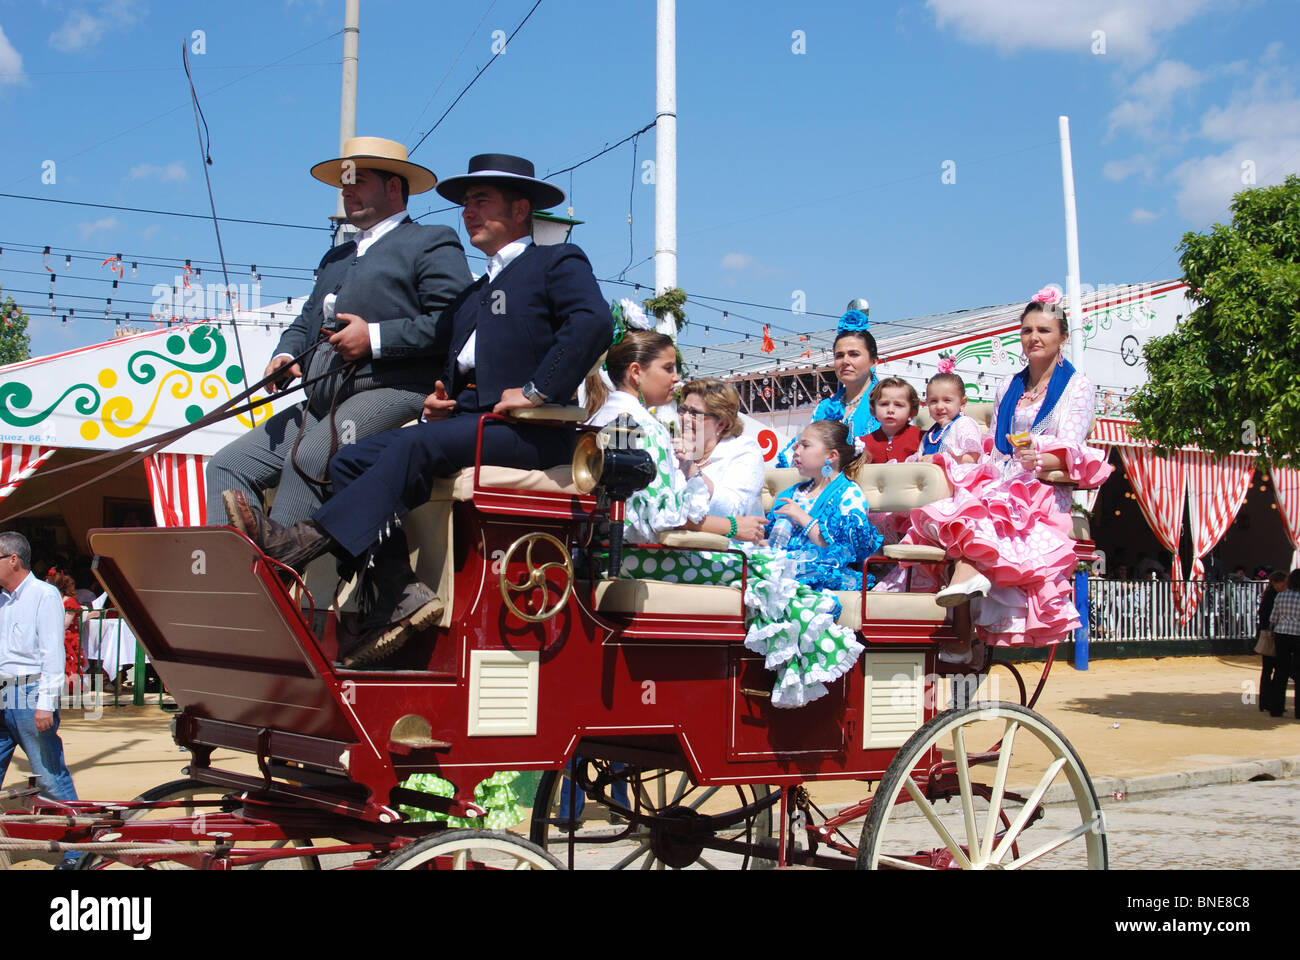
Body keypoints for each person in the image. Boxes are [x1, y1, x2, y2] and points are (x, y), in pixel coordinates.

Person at [226, 154, 612, 668]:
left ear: (521, 209)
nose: (468, 213)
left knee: (415, 444)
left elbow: (592, 322)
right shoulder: (477, 292)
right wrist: (439, 398)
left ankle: (302, 541)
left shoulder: (556, 262)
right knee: (349, 460)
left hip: (531, 431)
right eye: (465, 204)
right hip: (467, 421)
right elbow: (448, 350)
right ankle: (396, 593)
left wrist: (539, 390)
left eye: (481, 202)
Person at [208, 136, 473, 529]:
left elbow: (453, 321)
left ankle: (280, 577)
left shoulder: (430, 241)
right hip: (321, 401)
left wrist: (375, 338)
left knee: (310, 458)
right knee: (226, 466)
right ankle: (239, 577)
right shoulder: (335, 257)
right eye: (344, 183)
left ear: (394, 187)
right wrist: (284, 355)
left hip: (394, 389)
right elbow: (306, 320)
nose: (347, 191)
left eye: (359, 180)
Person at [586, 330, 862, 708]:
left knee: (770, 568)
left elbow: (702, 507)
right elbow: (666, 518)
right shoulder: (642, 427)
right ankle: (803, 679)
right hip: (647, 553)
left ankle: (792, 675)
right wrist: (725, 520)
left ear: (720, 422)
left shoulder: (605, 417)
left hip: (614, 550)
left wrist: (693, 475)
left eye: (693, 413)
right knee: (766, 574)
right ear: (636, 372)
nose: (675, 380)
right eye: (668, 368)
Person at [892, 286, 1112, 663]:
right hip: (1004, 480)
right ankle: (959, 626)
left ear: (1062, 336)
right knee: (957, 504)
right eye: (1027, 330)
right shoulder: (1008, 385)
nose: (1034, 338)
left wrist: (1037, 457)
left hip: (1045, 489)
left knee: (982, 508)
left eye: (1044, 330)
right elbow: (996, 449)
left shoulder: (1078, 386)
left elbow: (1071, 452)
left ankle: (965, 595)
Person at [0, 533, 82, 869]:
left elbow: (52, 653)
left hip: (29, 693)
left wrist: (46, 702)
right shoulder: (4, 600)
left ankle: (78, 851)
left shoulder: (43, 595)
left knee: (49, 775)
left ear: (12, 560)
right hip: (4, 692)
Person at [767, 420, 882, 592]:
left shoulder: (849, 494)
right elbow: (774, 541)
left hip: (824, 573)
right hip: (784, 565)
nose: (795, 451)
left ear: (831, 456)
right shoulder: (792, 494)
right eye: (797, 445)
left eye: (805, 446)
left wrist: (802, 517)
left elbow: (845, 551)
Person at [775, 303, 880, 466]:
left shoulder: (886, 402)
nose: (845, 361)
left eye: (854, 354)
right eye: (839, 355)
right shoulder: (824, 408)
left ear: (874, 361)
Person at [674, 378, 765, 518]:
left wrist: (691, 469)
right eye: (683, 410)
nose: (684, 418)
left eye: (694, 413)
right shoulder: (675, 450)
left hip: (730, 539)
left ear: (722, 424)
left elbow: (735, 510)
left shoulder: (744, 451)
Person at [860, 377, 921, 465]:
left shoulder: (922, 438)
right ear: (874, 410)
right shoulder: (864, 443)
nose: (890, 410)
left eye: (898, 405)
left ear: (912, 412)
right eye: (884, 404)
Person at [1267, 568, 1300, 720]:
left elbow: (1273, 618)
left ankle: (1276, 708)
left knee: (1280, 672)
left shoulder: (1281, 595)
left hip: (1282, 634)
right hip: (1298, 634)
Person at [1257, 570, 1288, 715]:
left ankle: (1265, 701)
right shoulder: (1275, 596)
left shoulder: (1269, 595)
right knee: (1275, 669)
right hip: (1272, 635)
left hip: (1267, 634)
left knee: (1268, 669)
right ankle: (1270, 701)